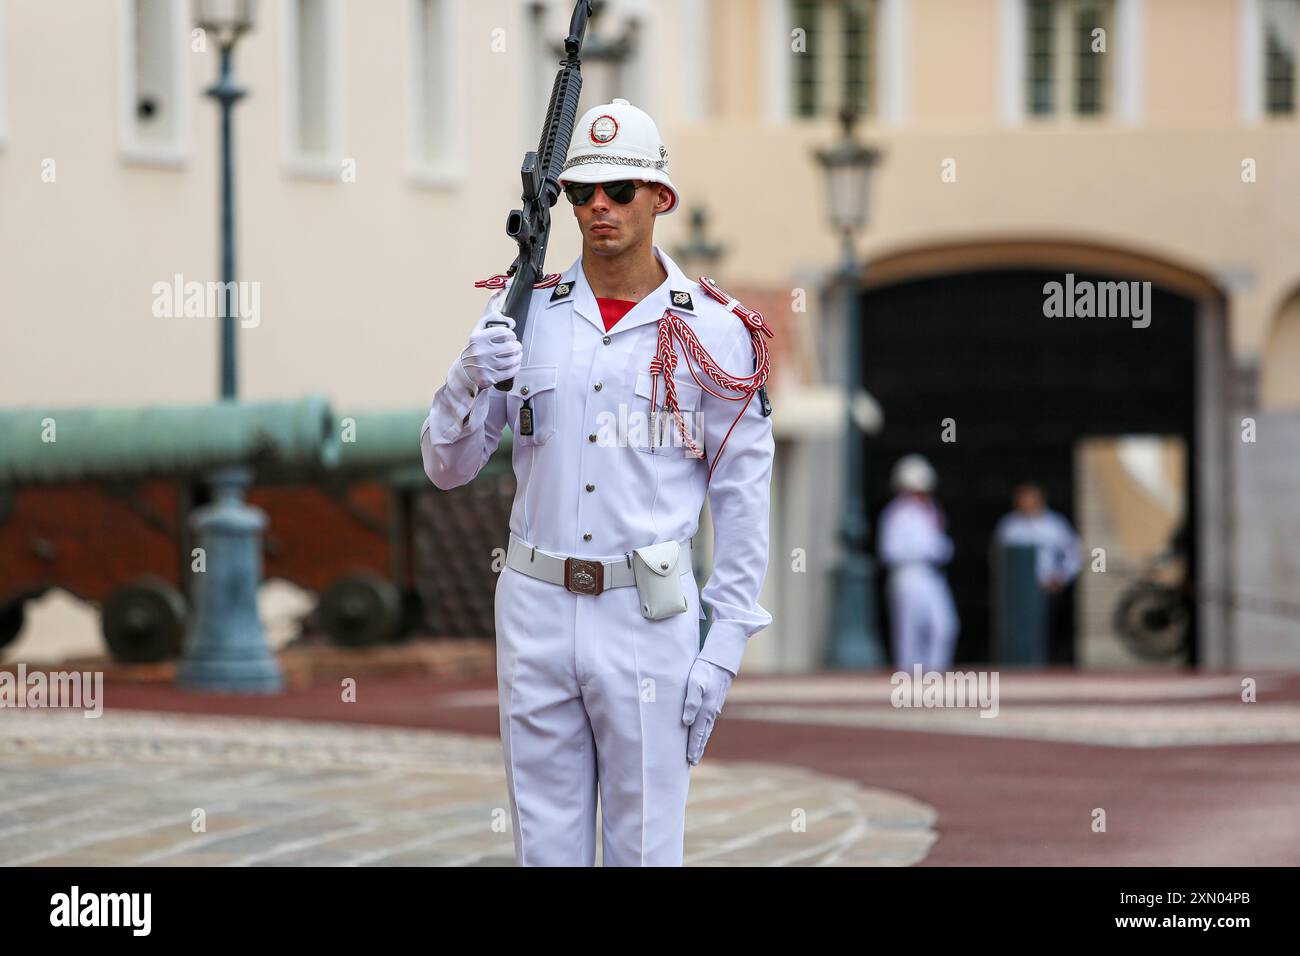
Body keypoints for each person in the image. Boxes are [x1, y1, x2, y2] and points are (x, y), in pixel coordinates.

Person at [419, 98, 775, 866]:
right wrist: (466, 380)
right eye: (580, 192)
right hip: (536, 606)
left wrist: (724, 644)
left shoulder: (715, 331)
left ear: (661, 198)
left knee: (644, 848)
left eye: (618, 189)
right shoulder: (525, 314)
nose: (598, 207)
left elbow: (742, 498)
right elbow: (446, 467)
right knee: (543, 848)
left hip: (646, 616)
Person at [877, 454, 959, 671]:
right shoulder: (896, 513)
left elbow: (941, 545)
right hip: (907, 575)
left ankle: (935, 674)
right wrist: (923, 550)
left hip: (931, 575)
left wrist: (940, 549)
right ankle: (909, 680)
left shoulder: (931, 510)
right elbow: (889, 551)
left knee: (944, 626)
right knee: (908, 632)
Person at [993, 482, 1081, 656]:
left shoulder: (1055, 524)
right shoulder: (1009, 525)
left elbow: (1074, 554)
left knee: (1041, 629)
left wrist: (1062, 577)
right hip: (1015, 590)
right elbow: (998, 557)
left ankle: (1040, 666)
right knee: (1014, 630)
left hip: (1043, 587)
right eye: (1022, 499)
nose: (1026, 503)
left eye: (1030, 499)